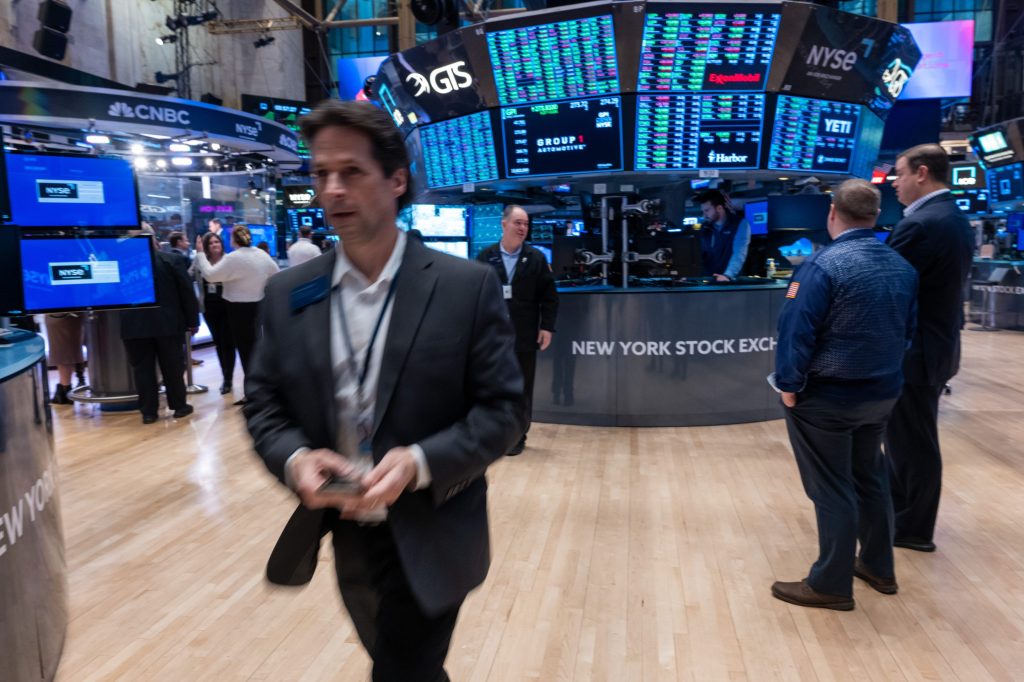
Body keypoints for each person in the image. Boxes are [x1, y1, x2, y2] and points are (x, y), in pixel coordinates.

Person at [244, 100, 524, 681]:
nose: (332, 190)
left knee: (401, 670)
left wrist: (419, 461)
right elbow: (264, 405)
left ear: (397, 180)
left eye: (351, 172)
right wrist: (295, 459)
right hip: (345, 524)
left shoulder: (465, 288)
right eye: (321, 173)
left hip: (434, 524)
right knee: (401, 663)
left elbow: (503, 412)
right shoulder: (289, 293)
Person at [769, 179, 918, 610]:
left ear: (832, 212)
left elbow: (795, 332)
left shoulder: (821, 267)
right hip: (881, 393)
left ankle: (830, 584)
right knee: (870, 477)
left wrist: (789, 386)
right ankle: (878, 566)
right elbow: (908, 332)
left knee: (831, 487)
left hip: (828, 398)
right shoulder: (902, 267)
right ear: (875, 215)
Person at [885, 143, 975, 552]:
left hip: (916, 351)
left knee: (913, 442)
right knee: (907, 438)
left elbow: (882, 281)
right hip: (935, 346)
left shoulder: (923, 224)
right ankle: (900, 515)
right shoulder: (951, 216)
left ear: (922, 173)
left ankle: (913, 529)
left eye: (900, 174)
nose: (895, 183)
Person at [476, 204, 558, 456]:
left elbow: (549, 297)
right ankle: (494, 433)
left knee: (522, 388)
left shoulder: (536, 258)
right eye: (518, 223)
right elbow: (475, 295)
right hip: (493, 336)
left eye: (526, 224)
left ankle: (518, 435)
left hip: (524, 334)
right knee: (492, 385)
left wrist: (547, 327)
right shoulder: (486, 256)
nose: (523, 228)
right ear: (504, 224)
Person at [120, 232, 200, 424]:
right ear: (154, 241)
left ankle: (148, 413)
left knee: (143, 370)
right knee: (172, 367)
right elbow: (186, 291)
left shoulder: (122, 264)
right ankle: (179, 406)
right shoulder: (171, 260)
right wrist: (193, 321)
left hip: (134, 326)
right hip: (167, 324)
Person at [194, 224, 280, 402]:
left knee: (246, 351)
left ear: (234, 239)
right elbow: (275, 273)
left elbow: (210, 275)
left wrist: (200, 254)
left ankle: (253, 393)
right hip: (257, 305)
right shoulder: (260, 254)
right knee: (255, 349)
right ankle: (259, 390)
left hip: (237, 309)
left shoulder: (234, 258)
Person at [194, 231, 237, 394]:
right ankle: (225, 375)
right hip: (209, 308)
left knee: (228, 343)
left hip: (228, 306)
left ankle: (228, 379)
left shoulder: (229, 260)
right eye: (211, 243)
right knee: (218, 343)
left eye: (216, 242)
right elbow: (189, 274)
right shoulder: (201, 261)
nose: (214, 245)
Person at [694, 189, 751, 281]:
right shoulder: (705, 228)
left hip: (730, 282)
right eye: (703, 211)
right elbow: (698, 254)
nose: (704, 215)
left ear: (719, 208)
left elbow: (739, 254)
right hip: (708, 281)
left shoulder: (740, 224)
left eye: (707, 210)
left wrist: (727, 275)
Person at [44, 313, 85, 405]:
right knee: (66, 352)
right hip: (67, 314)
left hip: (60, 314)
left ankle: (64, 391)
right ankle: (64, 391)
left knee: (63, 352)